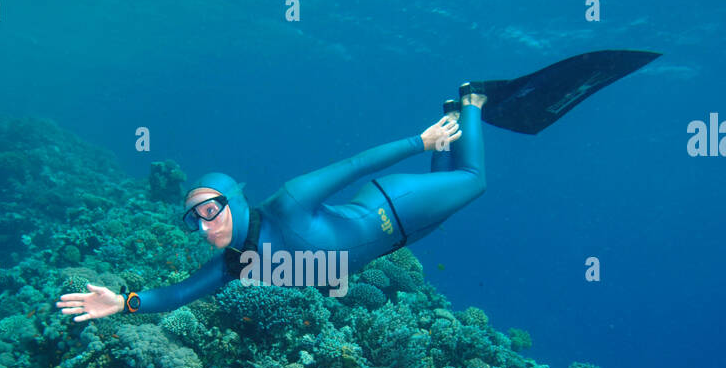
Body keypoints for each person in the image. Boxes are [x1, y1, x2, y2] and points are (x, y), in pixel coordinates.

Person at [57, 88, 486, 322]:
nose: (205, 225)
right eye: (195, 219)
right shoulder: (234, 264)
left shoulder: (289, 202)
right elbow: (178, 293)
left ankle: (472, 102)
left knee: (472, 181)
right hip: (400, 238)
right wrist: (122, 302)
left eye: (211, 209)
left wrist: (420, 141)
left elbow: (353, 166)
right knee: (445, 193)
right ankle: (452, 113)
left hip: (394, 206)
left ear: (237, 201)